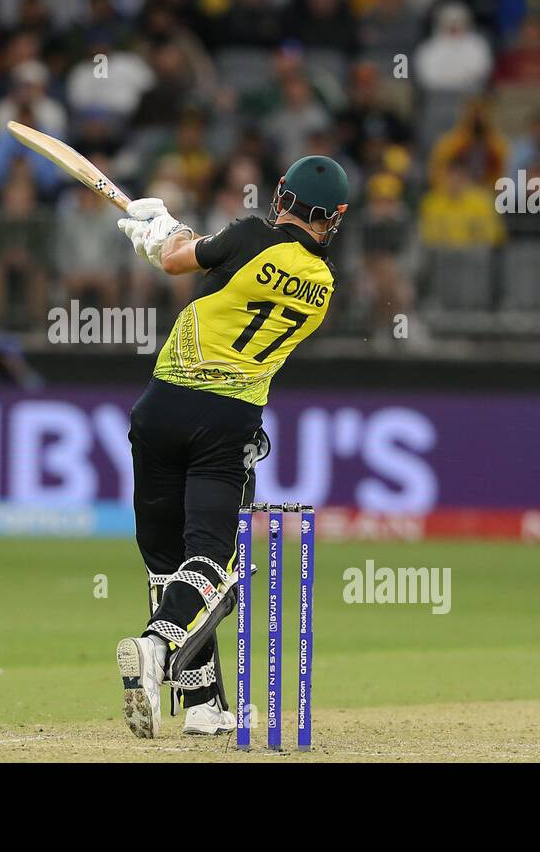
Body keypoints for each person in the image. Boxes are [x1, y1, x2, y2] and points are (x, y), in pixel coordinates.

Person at [112, 155, 348, 738]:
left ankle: (202, 703)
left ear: (281, 197)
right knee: (212, 563)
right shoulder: (322, 286)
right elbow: (239, 279)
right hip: (227, 422)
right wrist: (173, 238)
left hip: (160, 407)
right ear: (336, 216)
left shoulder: (247, 234)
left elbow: (175, 261)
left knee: (167, 560)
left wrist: (159, 231)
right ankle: (156, 647)